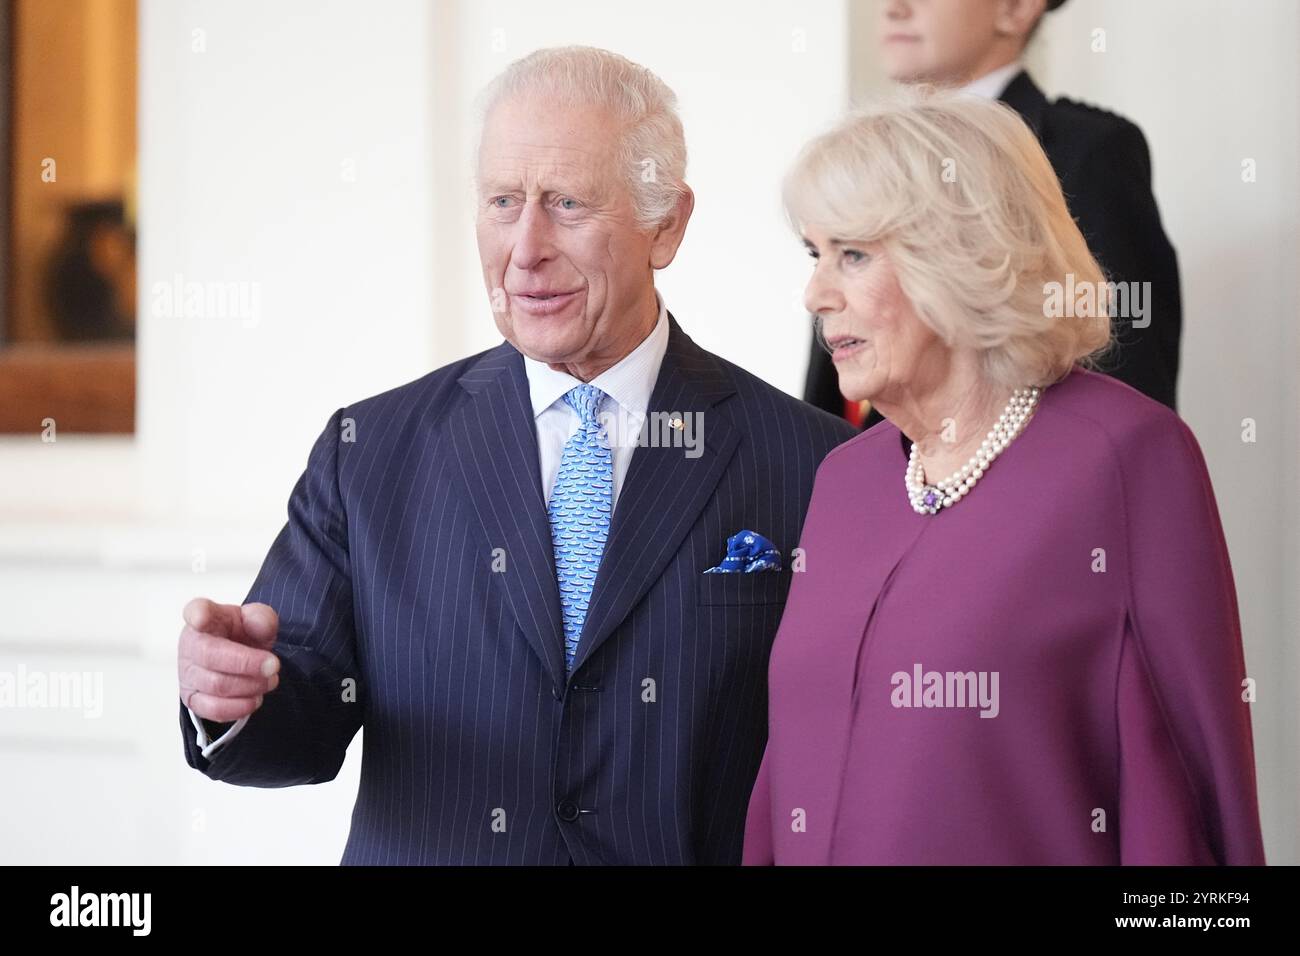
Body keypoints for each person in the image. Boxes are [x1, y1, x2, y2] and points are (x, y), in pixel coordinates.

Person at [176, 46, 856, 866]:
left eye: (567, 204)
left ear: (666, 224)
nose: (525, 248)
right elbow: (303, 721)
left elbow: (844, 763)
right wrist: (236, 697)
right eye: (503, 202)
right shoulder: (369, 452)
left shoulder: (816, 463)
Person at [743, 92, 1264, 865]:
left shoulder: (1125, 458)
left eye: (852, 253)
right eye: (814, 255)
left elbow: (1192, 779)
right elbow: (781, 782)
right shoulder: (842, 481)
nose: (817, 293)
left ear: (962, 252)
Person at [804, 0, 1182, 426]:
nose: (894, 7)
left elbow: (1130, 382)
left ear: (1016, 9)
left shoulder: (1085, 153)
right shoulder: (859, 159)